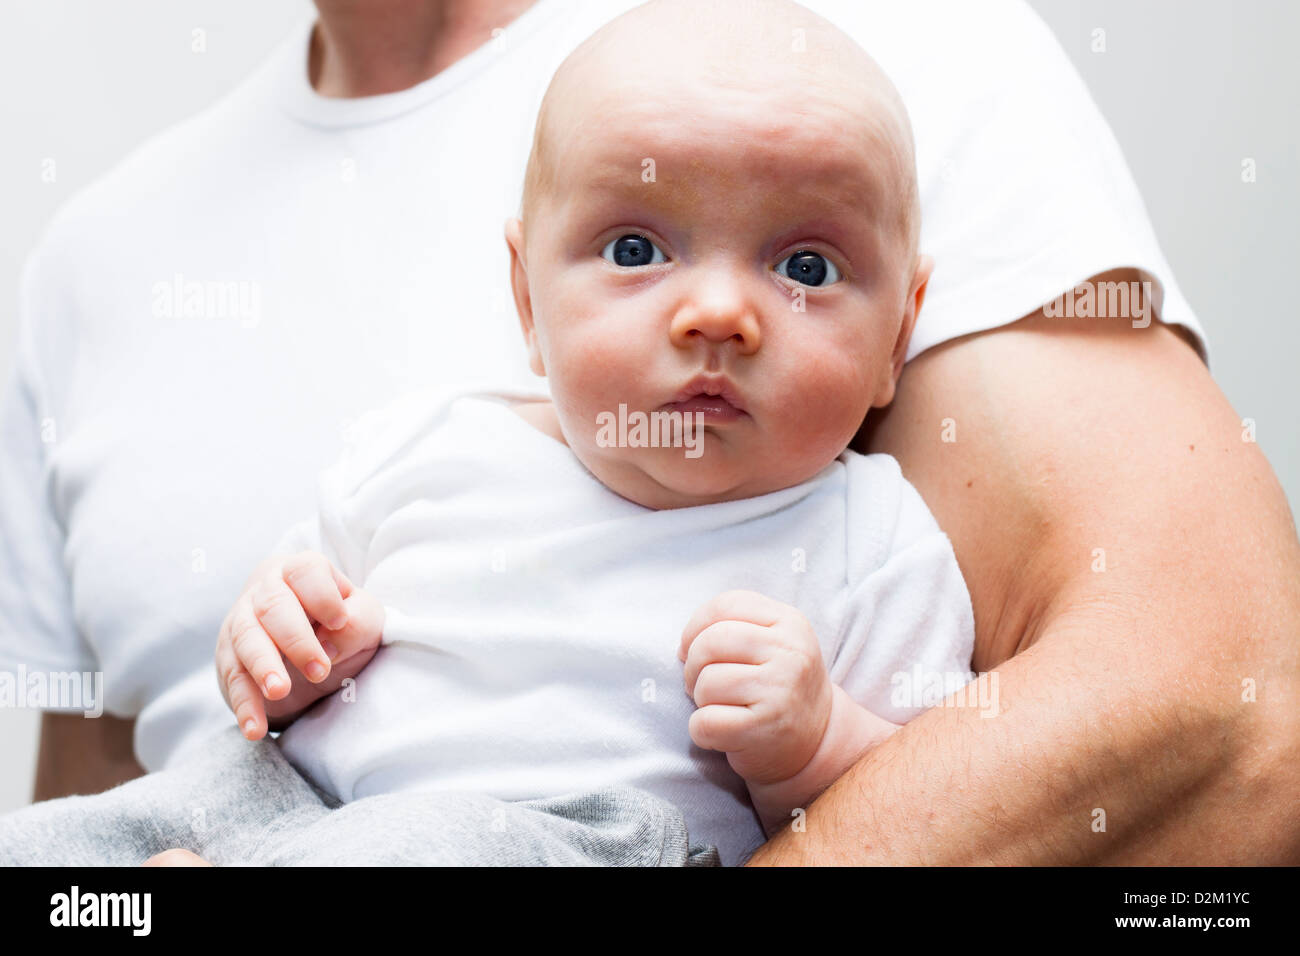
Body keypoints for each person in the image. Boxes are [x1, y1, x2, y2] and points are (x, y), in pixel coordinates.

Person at [1, 0, 1296, 865]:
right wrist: (276, 645)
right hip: (270, 809)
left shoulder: (865, 50)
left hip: (570, 833)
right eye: (633, 251)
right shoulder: (94, 262)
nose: (720, 313)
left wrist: (807, 743)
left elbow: (1232, 715)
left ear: (905, 314)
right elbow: (125, 767)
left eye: (802, 268)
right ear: (522, 293)